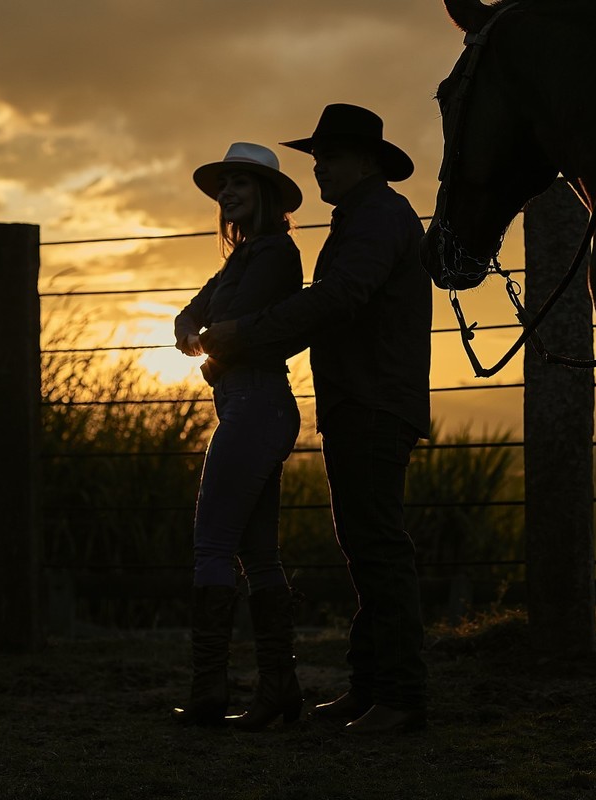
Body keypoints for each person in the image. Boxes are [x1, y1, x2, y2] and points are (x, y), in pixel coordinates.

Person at [200, 104, 433, 735]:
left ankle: (400, 694)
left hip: (373, 399)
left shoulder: (376, 221)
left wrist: (243, 335)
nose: (319, 168)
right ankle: (371, 688)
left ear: (364, 161)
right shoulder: (364, 219)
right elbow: (332, 306)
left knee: (377, 545)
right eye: (315, 157)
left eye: (327, 157)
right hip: (363, 397)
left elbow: (337, 299)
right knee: (366, 543)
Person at [170, 142, 306, 731]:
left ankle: (209, 691)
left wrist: (210, 350)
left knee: (212, 544)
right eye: (224, 185)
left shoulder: (274, 254)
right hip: (254, 408)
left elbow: (231, 330)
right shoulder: (246, 256)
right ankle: (279, 688)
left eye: (241, 185)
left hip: (254, 404)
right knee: (257, 551)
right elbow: (194, 315)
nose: (228, 193)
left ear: (266, 195)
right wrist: (195, 329)